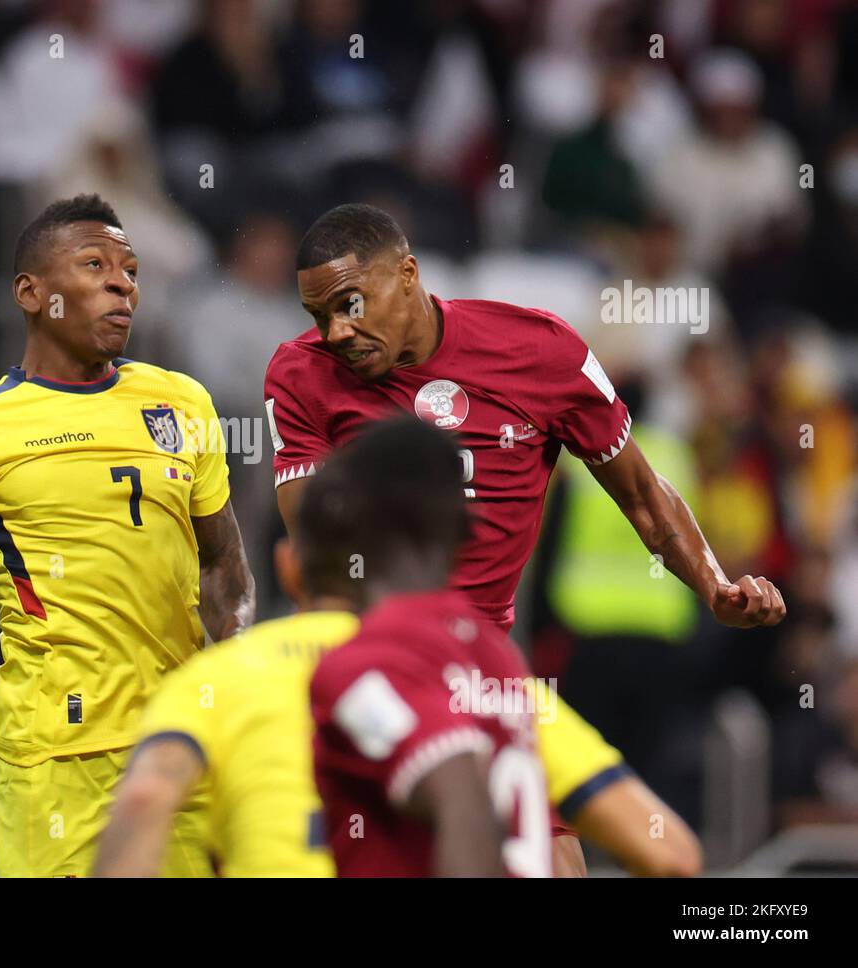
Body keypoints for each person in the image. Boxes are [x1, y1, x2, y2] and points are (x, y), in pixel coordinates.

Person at [93, 417, 701, 878]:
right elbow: (668, 851)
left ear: (290, 566)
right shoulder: (489, 667)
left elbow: (147, 796)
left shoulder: (249, 676)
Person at [0, 194, 255, 877]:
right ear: (31, 293)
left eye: (130, 269)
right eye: (95, 265)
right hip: (55, 764)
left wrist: (240, 662)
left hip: (178, 747)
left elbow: (223, 562)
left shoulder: (182, 402)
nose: (122, 283)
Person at [265, 203, 786, 635]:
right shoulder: (302, 374)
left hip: (480, 667)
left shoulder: (543, 353)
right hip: (362, 652)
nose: (335, 332)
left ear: (407, 275)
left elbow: (643, 494)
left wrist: (714, 585)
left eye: (349, 305)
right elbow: (316, 544)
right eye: (320, 316)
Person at [305, 417, 697, 876]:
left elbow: (458, 790)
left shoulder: (364, 661)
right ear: (467, 528)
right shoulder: (497, 661)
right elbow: (673, 855)